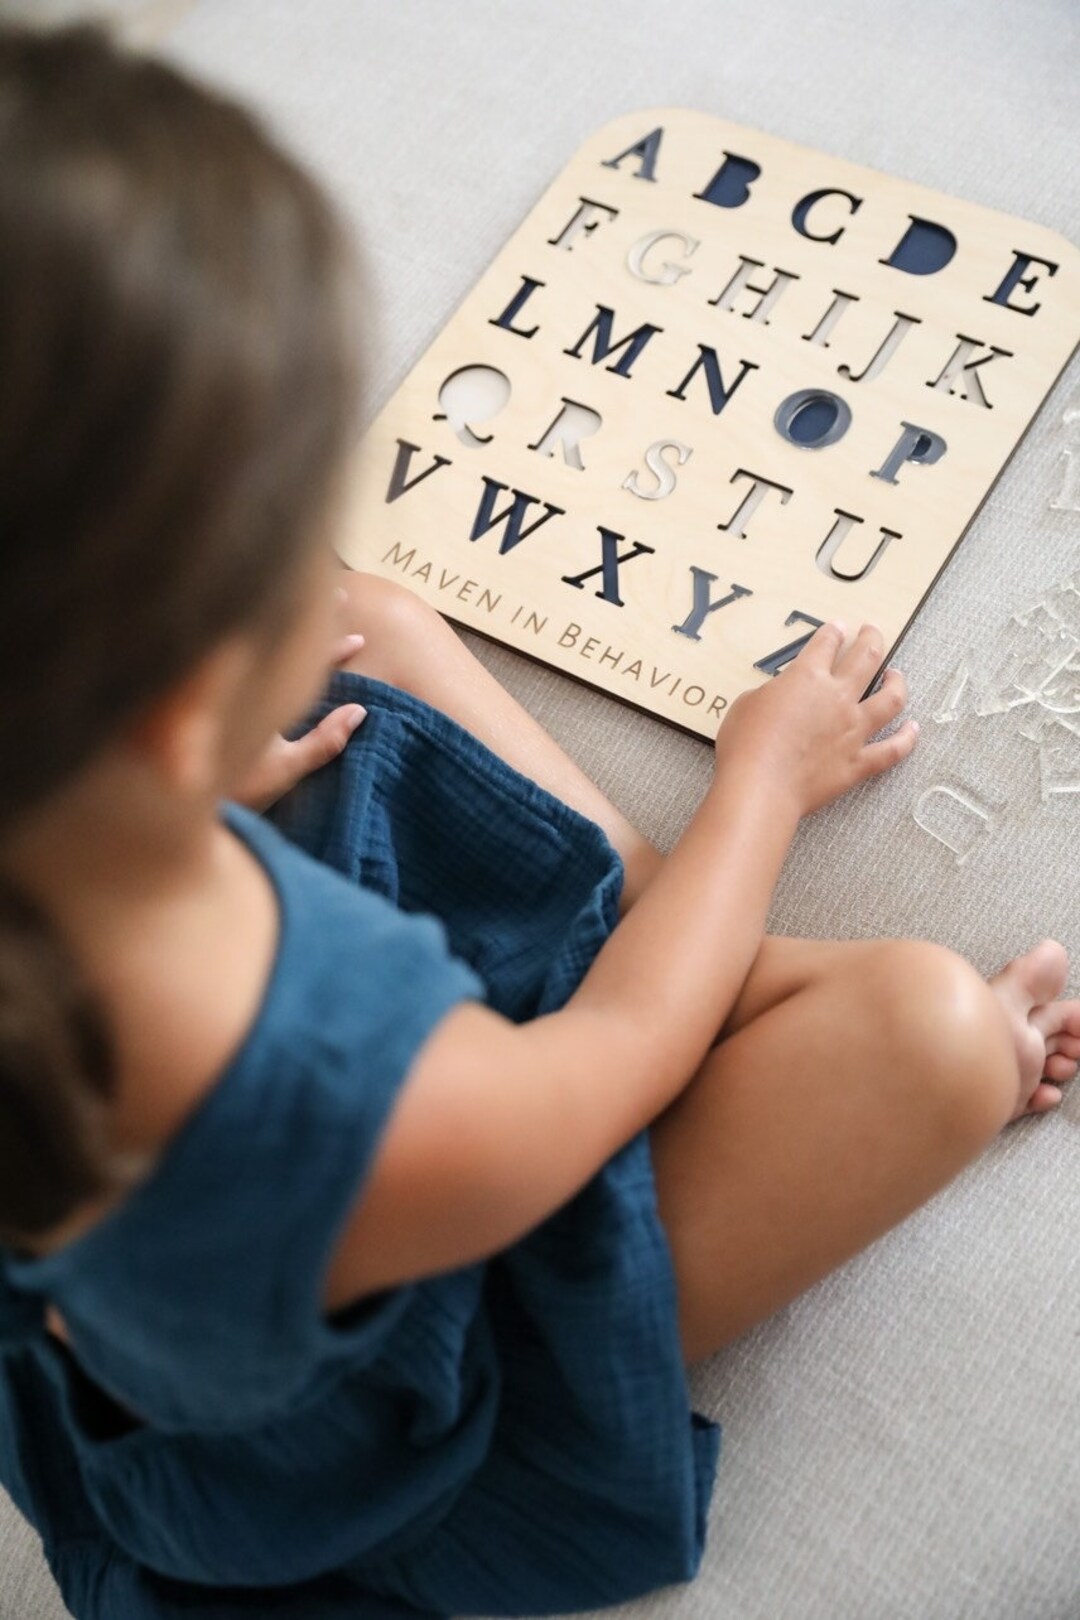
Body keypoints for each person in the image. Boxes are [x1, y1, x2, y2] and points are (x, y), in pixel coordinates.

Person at [0, 21, 1077, 1620]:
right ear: (161, 700)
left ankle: (692, 923)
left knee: (375, 628)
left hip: (228, 1171)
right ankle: (729, 936)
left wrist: (171, 784)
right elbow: (611, 1064)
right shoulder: (311, 1083)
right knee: (924, 1030)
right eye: (285, 513)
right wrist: (760, 789)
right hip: (432, 1365)